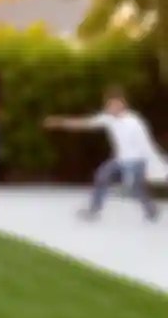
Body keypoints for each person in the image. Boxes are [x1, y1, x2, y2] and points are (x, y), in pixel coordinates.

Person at [45, 86, 162, 222]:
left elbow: (146, 144)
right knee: (102, 176)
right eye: (109, 105)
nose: (111, 108)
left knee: (136, 189)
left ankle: (151, 210)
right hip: (120, 160)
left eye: (114, 105)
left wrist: (152, 164)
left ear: (123, 104)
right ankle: (93, 210)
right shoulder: (108, 119)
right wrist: (60, 122)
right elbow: (85, 123)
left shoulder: (134, 121)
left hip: (136, 161)